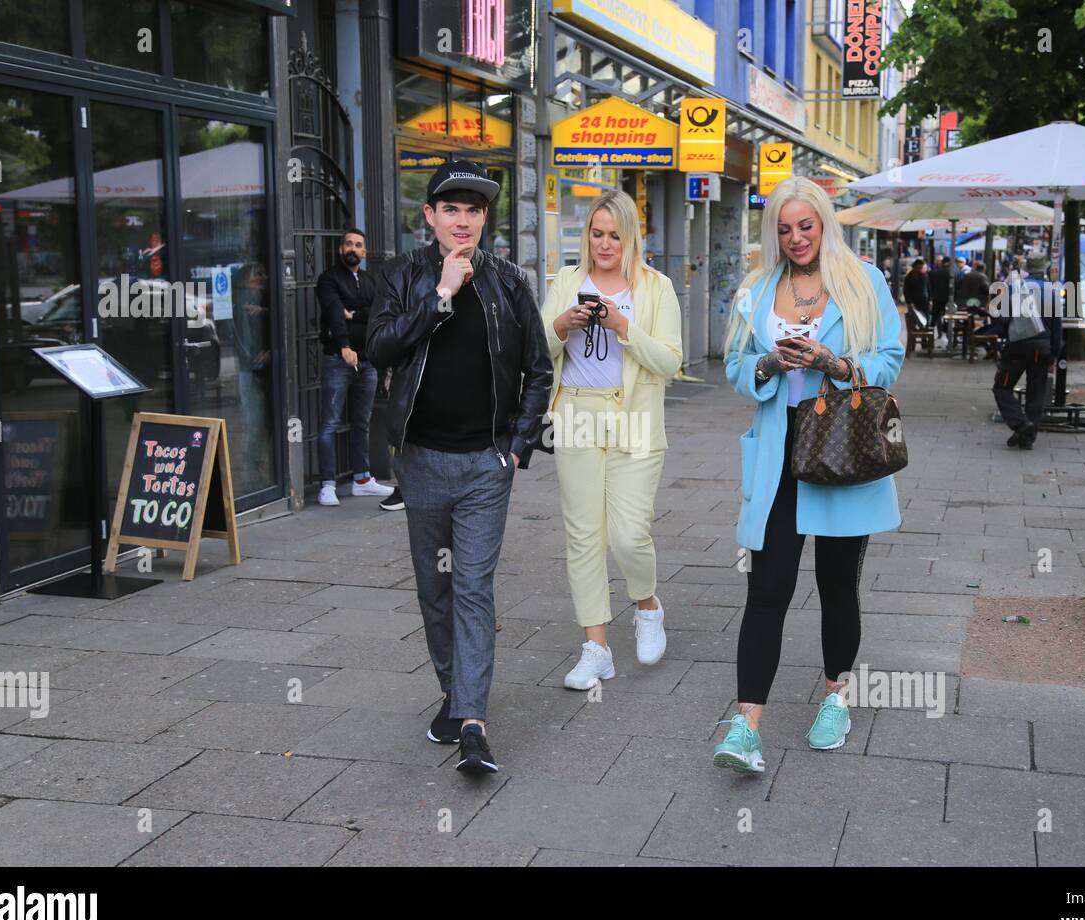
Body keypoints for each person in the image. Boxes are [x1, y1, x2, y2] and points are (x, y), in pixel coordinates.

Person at [715, 176, 905, 774]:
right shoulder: (757, 288)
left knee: (836, 583)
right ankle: (746, 726)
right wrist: (769, 363)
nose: (796, 237)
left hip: (842, 445)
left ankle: (835, 696)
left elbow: (891, 359)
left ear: (824, 223)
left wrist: (837, 363)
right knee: (766, 587)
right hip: (780, 448)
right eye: (785, 227)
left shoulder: (862, 282)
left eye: (806, 225)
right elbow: (736, 366)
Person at [367, 160, 551, 774]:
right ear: (430, 217)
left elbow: (538, 369)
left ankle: (472, 720)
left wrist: (517, 447)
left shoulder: (509, 282)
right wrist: (441, 294)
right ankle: (455, 691)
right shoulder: (402, 275)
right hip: (419, 462)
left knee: (472, 587)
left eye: (474, 210)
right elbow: (381, 347)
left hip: (483, 465)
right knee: (435, 588)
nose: (464, 220)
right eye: (452, 209)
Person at [540, 191, 682, 689]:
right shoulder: (566, 282)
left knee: (628, 533)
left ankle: (647, 605)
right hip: (576, 411)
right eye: (596, 233)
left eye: (613, 235)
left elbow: (670, 362)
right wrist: (562, 324)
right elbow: (536, 349)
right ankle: (596, 647)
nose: (604, 244)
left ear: (630, 237)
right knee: (583, 535)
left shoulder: (656, 287)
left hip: (634, 417)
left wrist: (623, 326)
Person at [315, 227, 394, 506]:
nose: (352, 248)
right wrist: (344, 345)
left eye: (357, 245)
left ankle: (362, 480)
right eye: (348, 244)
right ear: (340, 249)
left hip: (368, 361)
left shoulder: (371, 280)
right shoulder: (328, 279)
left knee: (362, 422)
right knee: (330, 423)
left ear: (364, 252)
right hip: (339, 359)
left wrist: (356, 314)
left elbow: (379, 312)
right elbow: (334, 313)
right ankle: (327, 484)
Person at [992, 253, 1061, 450]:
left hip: (1017, 346)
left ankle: (1021, 425)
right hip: (1042, 348)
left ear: (1027, 268)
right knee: (1036, 392)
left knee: (1002, 387)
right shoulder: (1052, 292)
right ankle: (1028, 437)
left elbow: (1003, 319)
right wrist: (1054, 354)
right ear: (1045, 268)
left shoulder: (1015, 288)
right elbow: (1057, 328)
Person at [929, 255, 953, 338]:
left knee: (934, 318)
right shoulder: (952, 273)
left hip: (936, 299)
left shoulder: (933, 272)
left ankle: (929, 338)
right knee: (948, 317)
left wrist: (931, 298)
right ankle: (948, 336)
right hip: (948, 299)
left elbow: (929, 286)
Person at [903, 258, 930, 325]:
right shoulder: (909, 277)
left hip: (924, 301)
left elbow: (929, 288)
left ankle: (925, 330)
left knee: (926, 319)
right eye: (919, 267)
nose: (920, 269)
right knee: (913, 319)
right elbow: (906, 290)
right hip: (913, 301)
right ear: (914, 267)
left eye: (921, 267)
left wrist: (930, 299)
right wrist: (909, 302)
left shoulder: (925, 276)